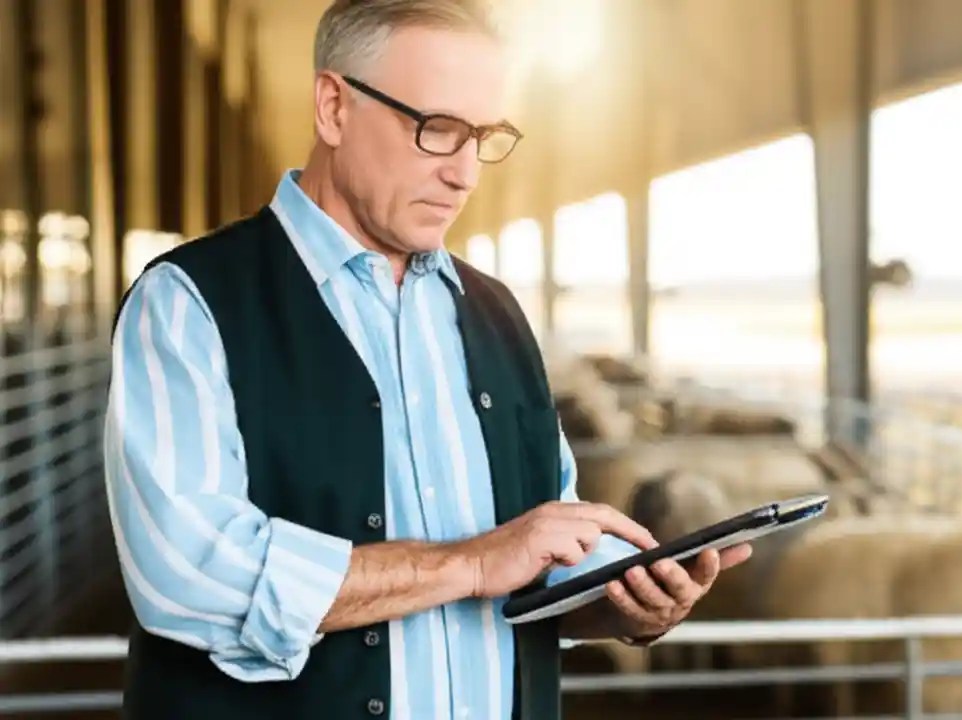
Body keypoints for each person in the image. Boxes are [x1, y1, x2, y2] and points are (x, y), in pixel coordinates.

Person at [101, 1, 751, 718]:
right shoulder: (190, 302)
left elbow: (535, 570)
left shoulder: (498, 313)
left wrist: (622, 605)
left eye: (485, 136)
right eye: (437, 129)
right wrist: (470, 562)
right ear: (333, 107)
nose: (466, 173)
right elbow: (190, 578)